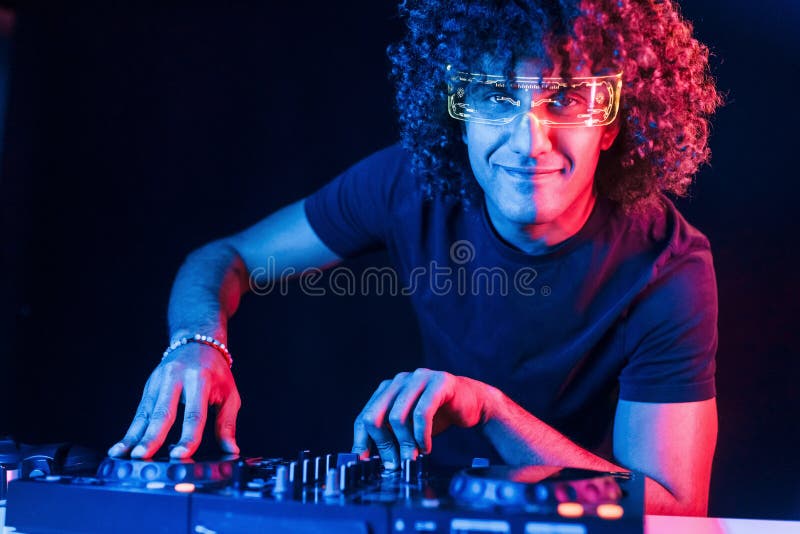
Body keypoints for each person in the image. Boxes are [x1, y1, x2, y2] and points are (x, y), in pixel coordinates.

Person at [108, 0, 721, 516]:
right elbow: (228, 258)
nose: (529, 141)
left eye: (564, 100)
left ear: (611, 122)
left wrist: (491, 409)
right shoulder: (407, 185)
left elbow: (675, 507)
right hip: (436, 515)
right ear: (458, 113)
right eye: (495, 97)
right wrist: (198, 344)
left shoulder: (669, 268)